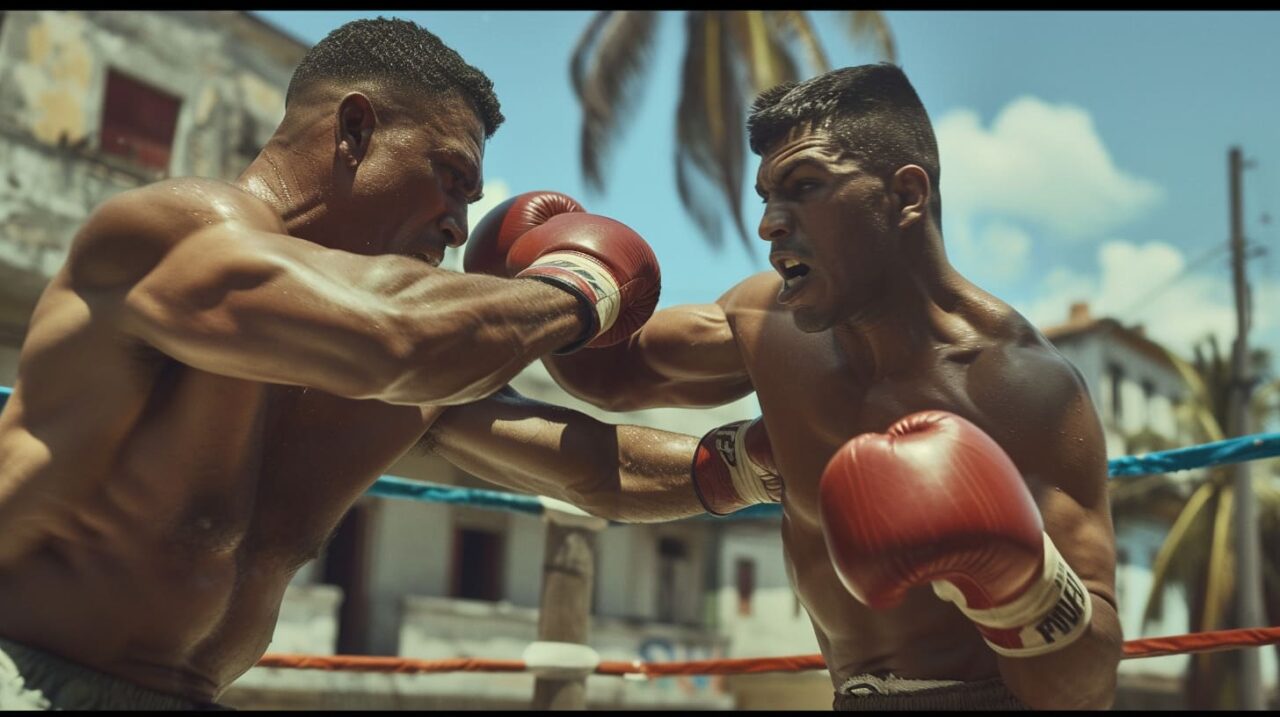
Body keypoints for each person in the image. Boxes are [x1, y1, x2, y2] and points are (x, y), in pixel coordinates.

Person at [0, 17, 660, 710]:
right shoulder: (174, 233)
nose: (459, 225)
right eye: (451, 178)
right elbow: (396, 336)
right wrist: (585, 286)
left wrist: (736, 461)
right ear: (355, 130)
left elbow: (593, 467)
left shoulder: (395, 373)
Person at [436, 63, 1122, 710]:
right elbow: (609, 374)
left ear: (906, 195)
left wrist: (1018, 583)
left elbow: (1085, 682)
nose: (769, 223)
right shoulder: (771, 320)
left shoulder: (1022, 387)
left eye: (805, 186)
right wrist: (546, 265)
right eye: (767, 197)